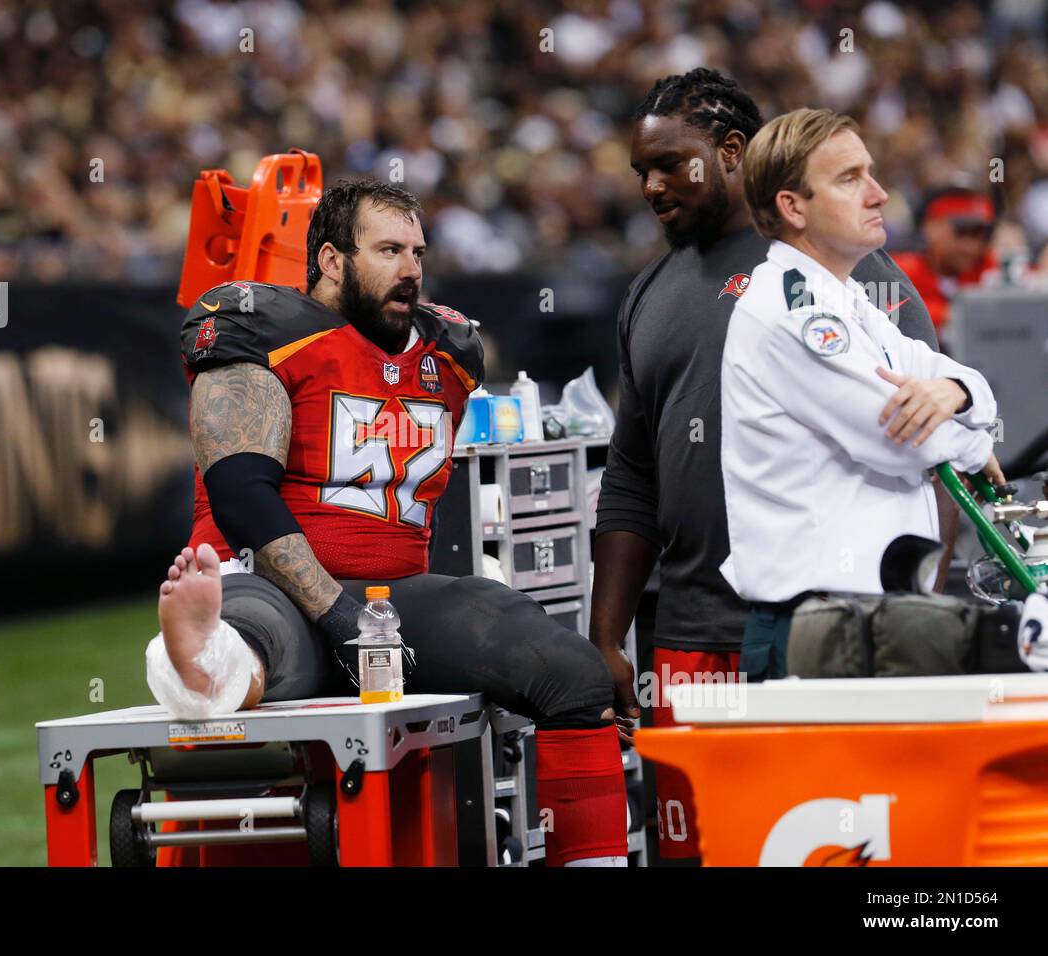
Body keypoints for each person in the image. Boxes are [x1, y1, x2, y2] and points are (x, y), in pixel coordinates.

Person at [150, 180, 629, 866]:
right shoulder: (264, 330)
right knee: (253, 646)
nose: (410, 268)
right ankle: (197, 659)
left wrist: (366, 622)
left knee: (571, 672)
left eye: (416, 251)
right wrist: (340, 618)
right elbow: (242, 496)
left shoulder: (450, 350)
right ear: (331, 261)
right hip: (269, 576)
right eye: (387, 250)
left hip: (393, 596)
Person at [590, 68, 957, 865]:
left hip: (832, 628)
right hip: (688, 632)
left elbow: (940, 455)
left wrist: (930, 596)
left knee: (842, 851)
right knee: (703, 853)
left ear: (730, 153)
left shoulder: (851, 269)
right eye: (639, 171)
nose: (651, 186)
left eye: (668, 165)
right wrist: (607, 632)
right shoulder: (647, 292)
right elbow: (631, 475)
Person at [719, 107, 1004, 682]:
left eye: (870, 174)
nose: (878, 195)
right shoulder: (792, 313)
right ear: (792, 207)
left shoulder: (847, 303)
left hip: (869, 619)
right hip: (816, 629)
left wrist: (959, 391)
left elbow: (964, 379)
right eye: (849, 179)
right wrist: (973, 443)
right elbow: (903, 439)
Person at [890, 186, 1001, 342]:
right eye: (963, 232)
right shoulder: (899, 272)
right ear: (930, 228)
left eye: (982, 235)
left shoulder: (991, 266)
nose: (973, 246)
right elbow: (885, 310)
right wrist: (946, 315)